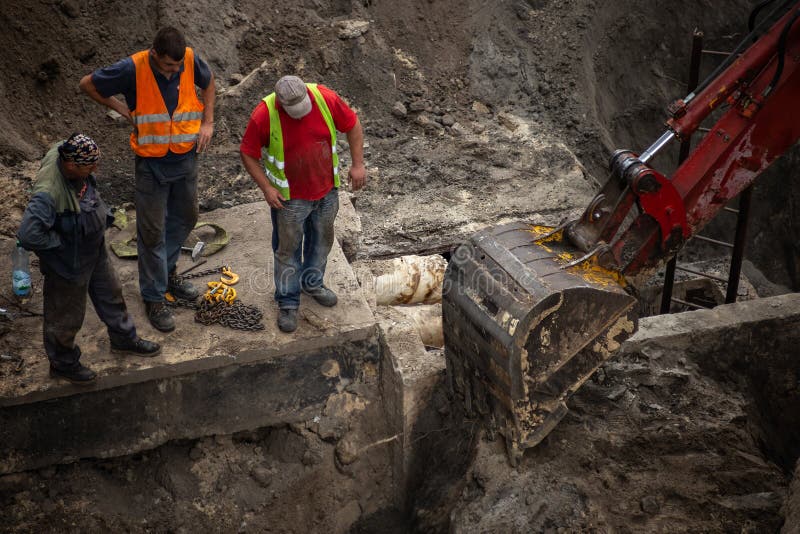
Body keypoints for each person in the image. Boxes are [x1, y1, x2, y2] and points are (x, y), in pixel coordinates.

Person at [79, 26, 215, 333]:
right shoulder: (132, 68)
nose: (175, 71)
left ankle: (166, 272)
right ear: (155, 55)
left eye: (178, 66)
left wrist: (208, 121)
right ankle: (154, 297)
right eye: (169, 66)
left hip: (185, 156)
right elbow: (87, 84)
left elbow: (208, 82)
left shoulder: (189, 60)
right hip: (151, 164)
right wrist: (120, 109)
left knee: (187, 216)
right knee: (152, 232)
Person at [17, 134, 161, 385]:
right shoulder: (48, 194)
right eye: (90, 165)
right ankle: (63, 363)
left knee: (111, 295)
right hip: (68, 263)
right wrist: (59, 245)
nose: (95, 169)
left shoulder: (64, 151)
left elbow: (64, 143)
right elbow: (28, 235)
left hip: (93, 249)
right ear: (71, 165)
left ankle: (124, 339)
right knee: (65, 317)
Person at [240, 75, 366, 333]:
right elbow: (248, 153)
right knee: (287, 250)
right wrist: (266, 187)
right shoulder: (264, 115)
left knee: (322, 242)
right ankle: (288, 300)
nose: (300, 116)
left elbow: (352, 124)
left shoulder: (324, 98)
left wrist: (358, 164)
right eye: (293, 112)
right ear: (281, 104)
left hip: (327, 190)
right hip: (290, 199)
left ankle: (313, 283)